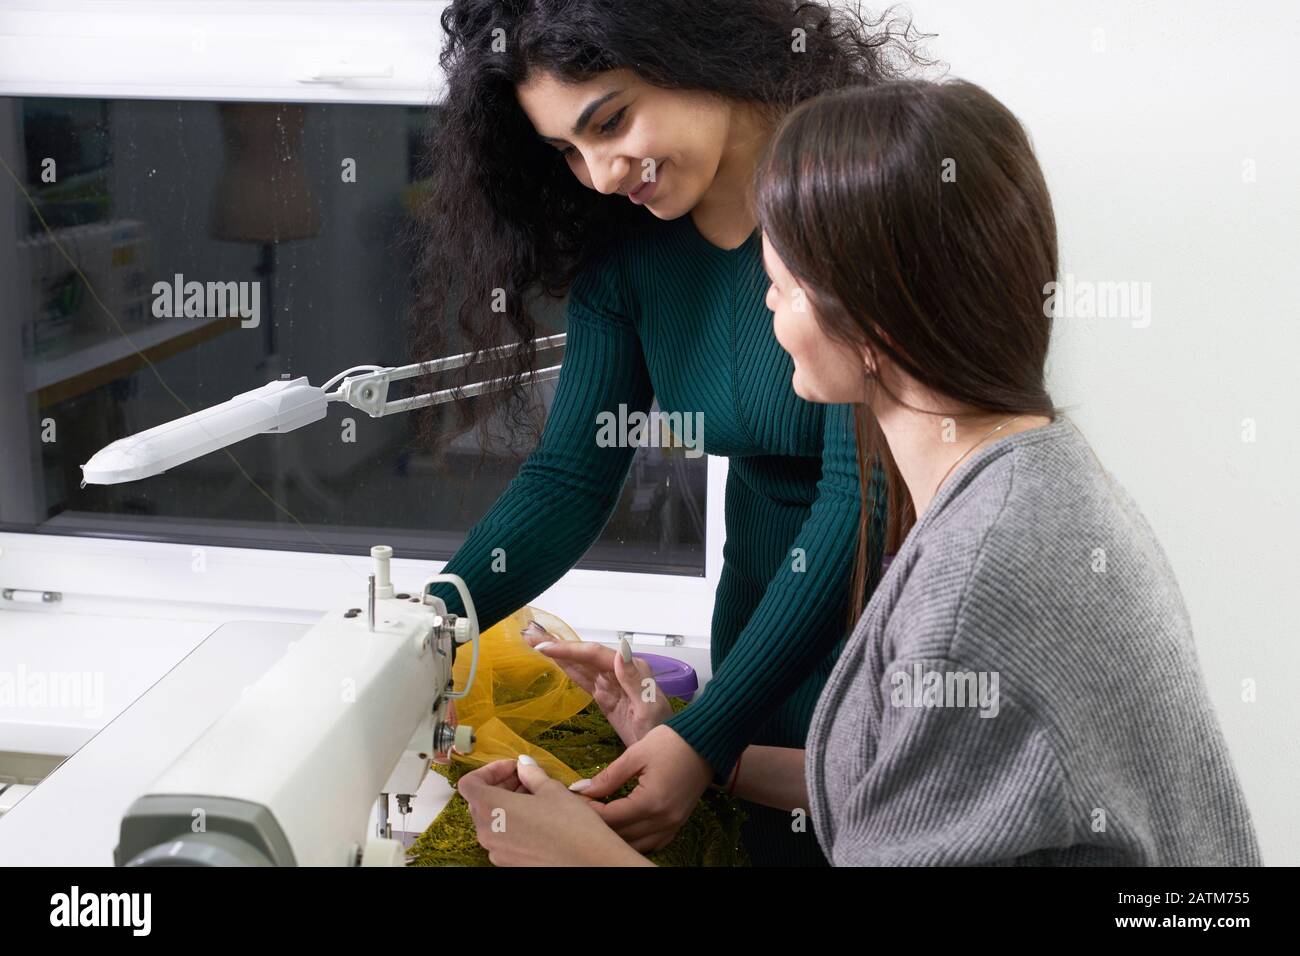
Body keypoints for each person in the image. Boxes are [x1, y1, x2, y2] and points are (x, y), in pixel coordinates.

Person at [456, 78, 1262, 866]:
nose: (766, 312)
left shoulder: (966, 593)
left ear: (872, 320)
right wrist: (715, 754)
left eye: (780, 286)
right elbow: (907, 781)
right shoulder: (1038, 485)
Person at [414, 0, 929, 865]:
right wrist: (430, 623)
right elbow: (569, 479)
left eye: (609, 122)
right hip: (756, 642)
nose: (600, 173)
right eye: (567, 152)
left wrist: (706, 738)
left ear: (701, 45)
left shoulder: (857, 198)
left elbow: (860, 495)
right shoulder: (632, 253)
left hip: (883, 642)